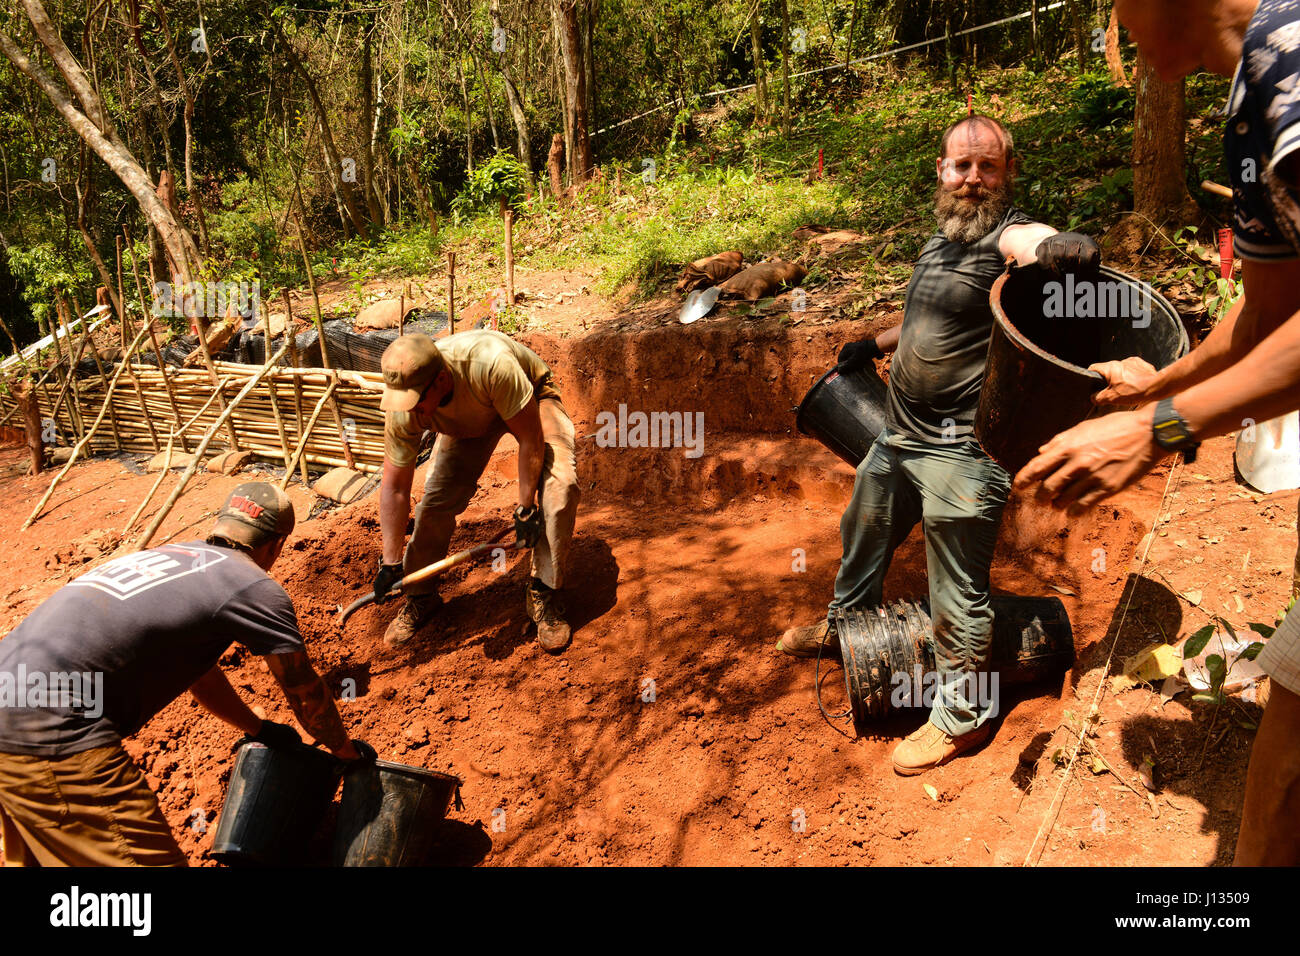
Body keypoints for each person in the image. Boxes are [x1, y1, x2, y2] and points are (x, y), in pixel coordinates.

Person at [1016, 0, 1300, 865]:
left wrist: (1164, 431)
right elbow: (1270, 313)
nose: (1113, 27)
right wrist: (1157, 390)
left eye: (1115, 6)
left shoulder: (1292, 64)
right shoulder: (1250, 101)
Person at [778, 114, 1102, 775]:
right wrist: (876, 343)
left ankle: (962, 715)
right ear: (942, 171)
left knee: (957, 595)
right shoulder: (940, 242)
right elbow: (926, 317)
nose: (974, 177)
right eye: (962, 165)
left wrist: (1060, 248)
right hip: (899, 436)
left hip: (962, 451)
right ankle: (847, 628)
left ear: (1007, 174)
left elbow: (1032, 241)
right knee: (863, 533)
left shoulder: (1003, 239)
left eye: (988, 166)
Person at [0, 482, 365, 866]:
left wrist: (259, 729)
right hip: (53, 727)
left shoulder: (170, 558)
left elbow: (198, 673)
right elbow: (304, 692)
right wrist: (345, 752)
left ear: (222, 525)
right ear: (277, 544)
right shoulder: (254, 586)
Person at [374, 329, 580, 652]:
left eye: (415, 402)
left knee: (560, 487)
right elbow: (395, 486)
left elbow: (530, 438)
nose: (410, 411)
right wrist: (390, 562)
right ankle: (421, 595)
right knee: (434, 504)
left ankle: (544, 591)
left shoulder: (489, 363)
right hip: (470, 422)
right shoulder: (405, 407)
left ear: (441, 380)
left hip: (531, 399)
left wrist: (525, 508)